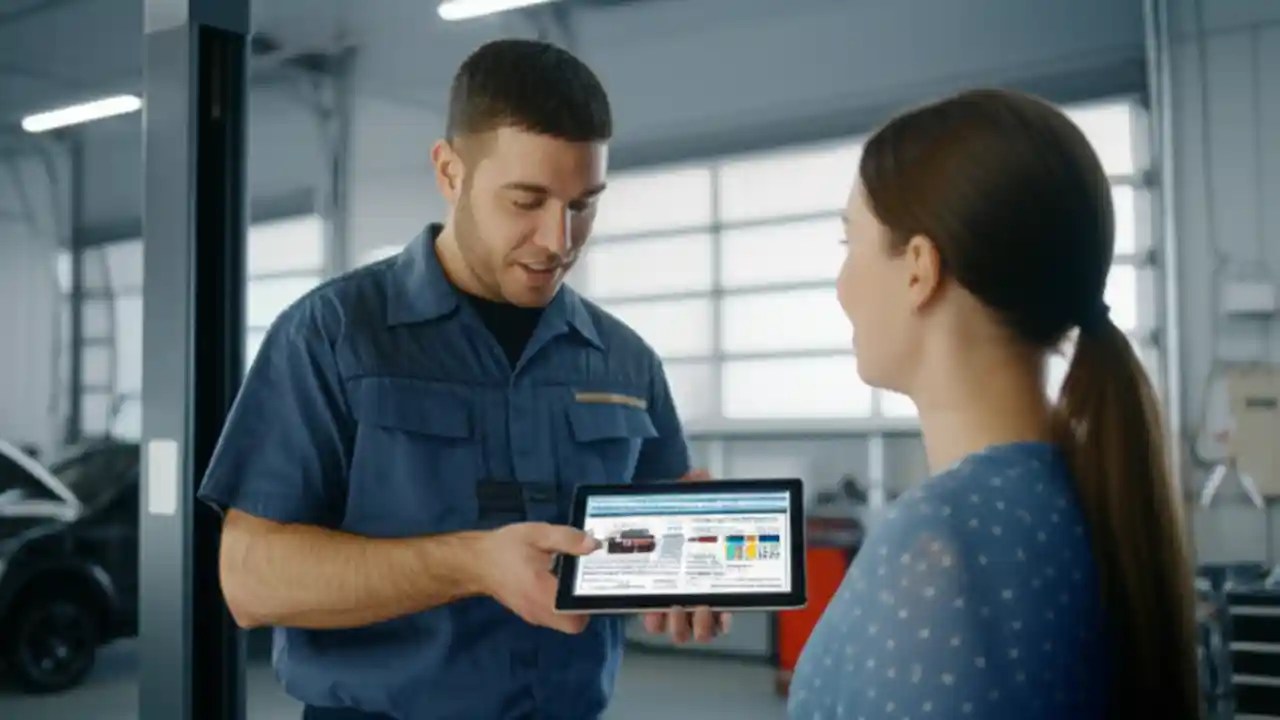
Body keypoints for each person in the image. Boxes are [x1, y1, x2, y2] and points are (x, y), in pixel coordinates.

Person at [198, 39, 724, 720]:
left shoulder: (625, 361)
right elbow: (250, 581)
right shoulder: (331, 334)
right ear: (450, 172)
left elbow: (646, 550)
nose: (558, 240)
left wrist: (690, 565)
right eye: (526, 201)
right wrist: (472, 564)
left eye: (584, 203)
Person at [787, 89, 1200, 719]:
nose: (842, 287)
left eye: (851, 245)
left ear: (919, 269)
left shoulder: (937, 552)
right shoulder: (1085, 496)